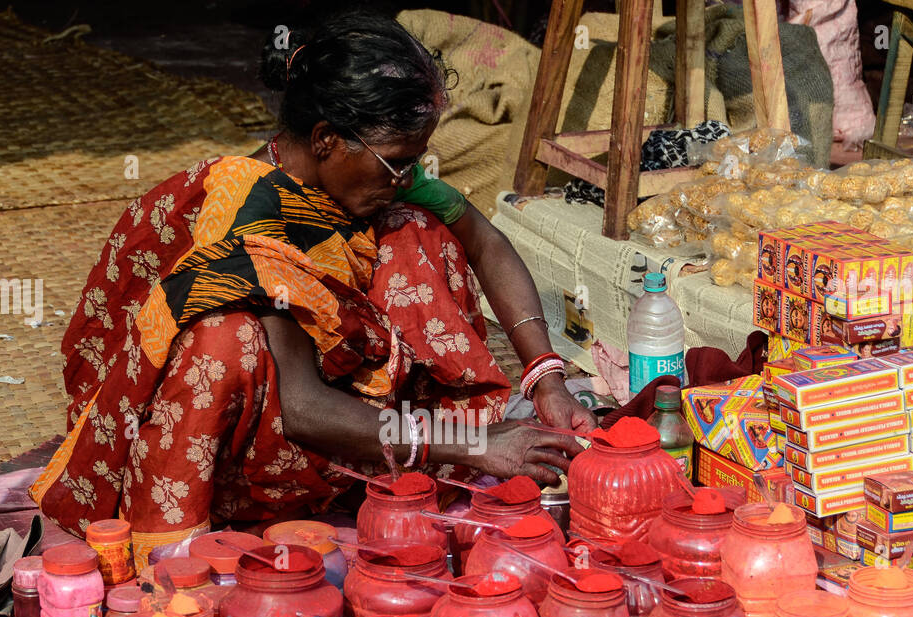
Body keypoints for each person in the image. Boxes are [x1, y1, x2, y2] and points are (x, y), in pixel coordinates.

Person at [29, 11, 595, 562]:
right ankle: (174, 549)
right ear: (326, 139)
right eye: (396, 163)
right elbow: (301, 408)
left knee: (417, 231)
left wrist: (545, 377)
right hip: (235, 458)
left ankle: (418, 453)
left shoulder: (368, 181)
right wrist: (476, 445)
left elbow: (487, 243)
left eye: (414, 161)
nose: (406, 177)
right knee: (225, 337)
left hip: (342, 425)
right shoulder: (251, 214)